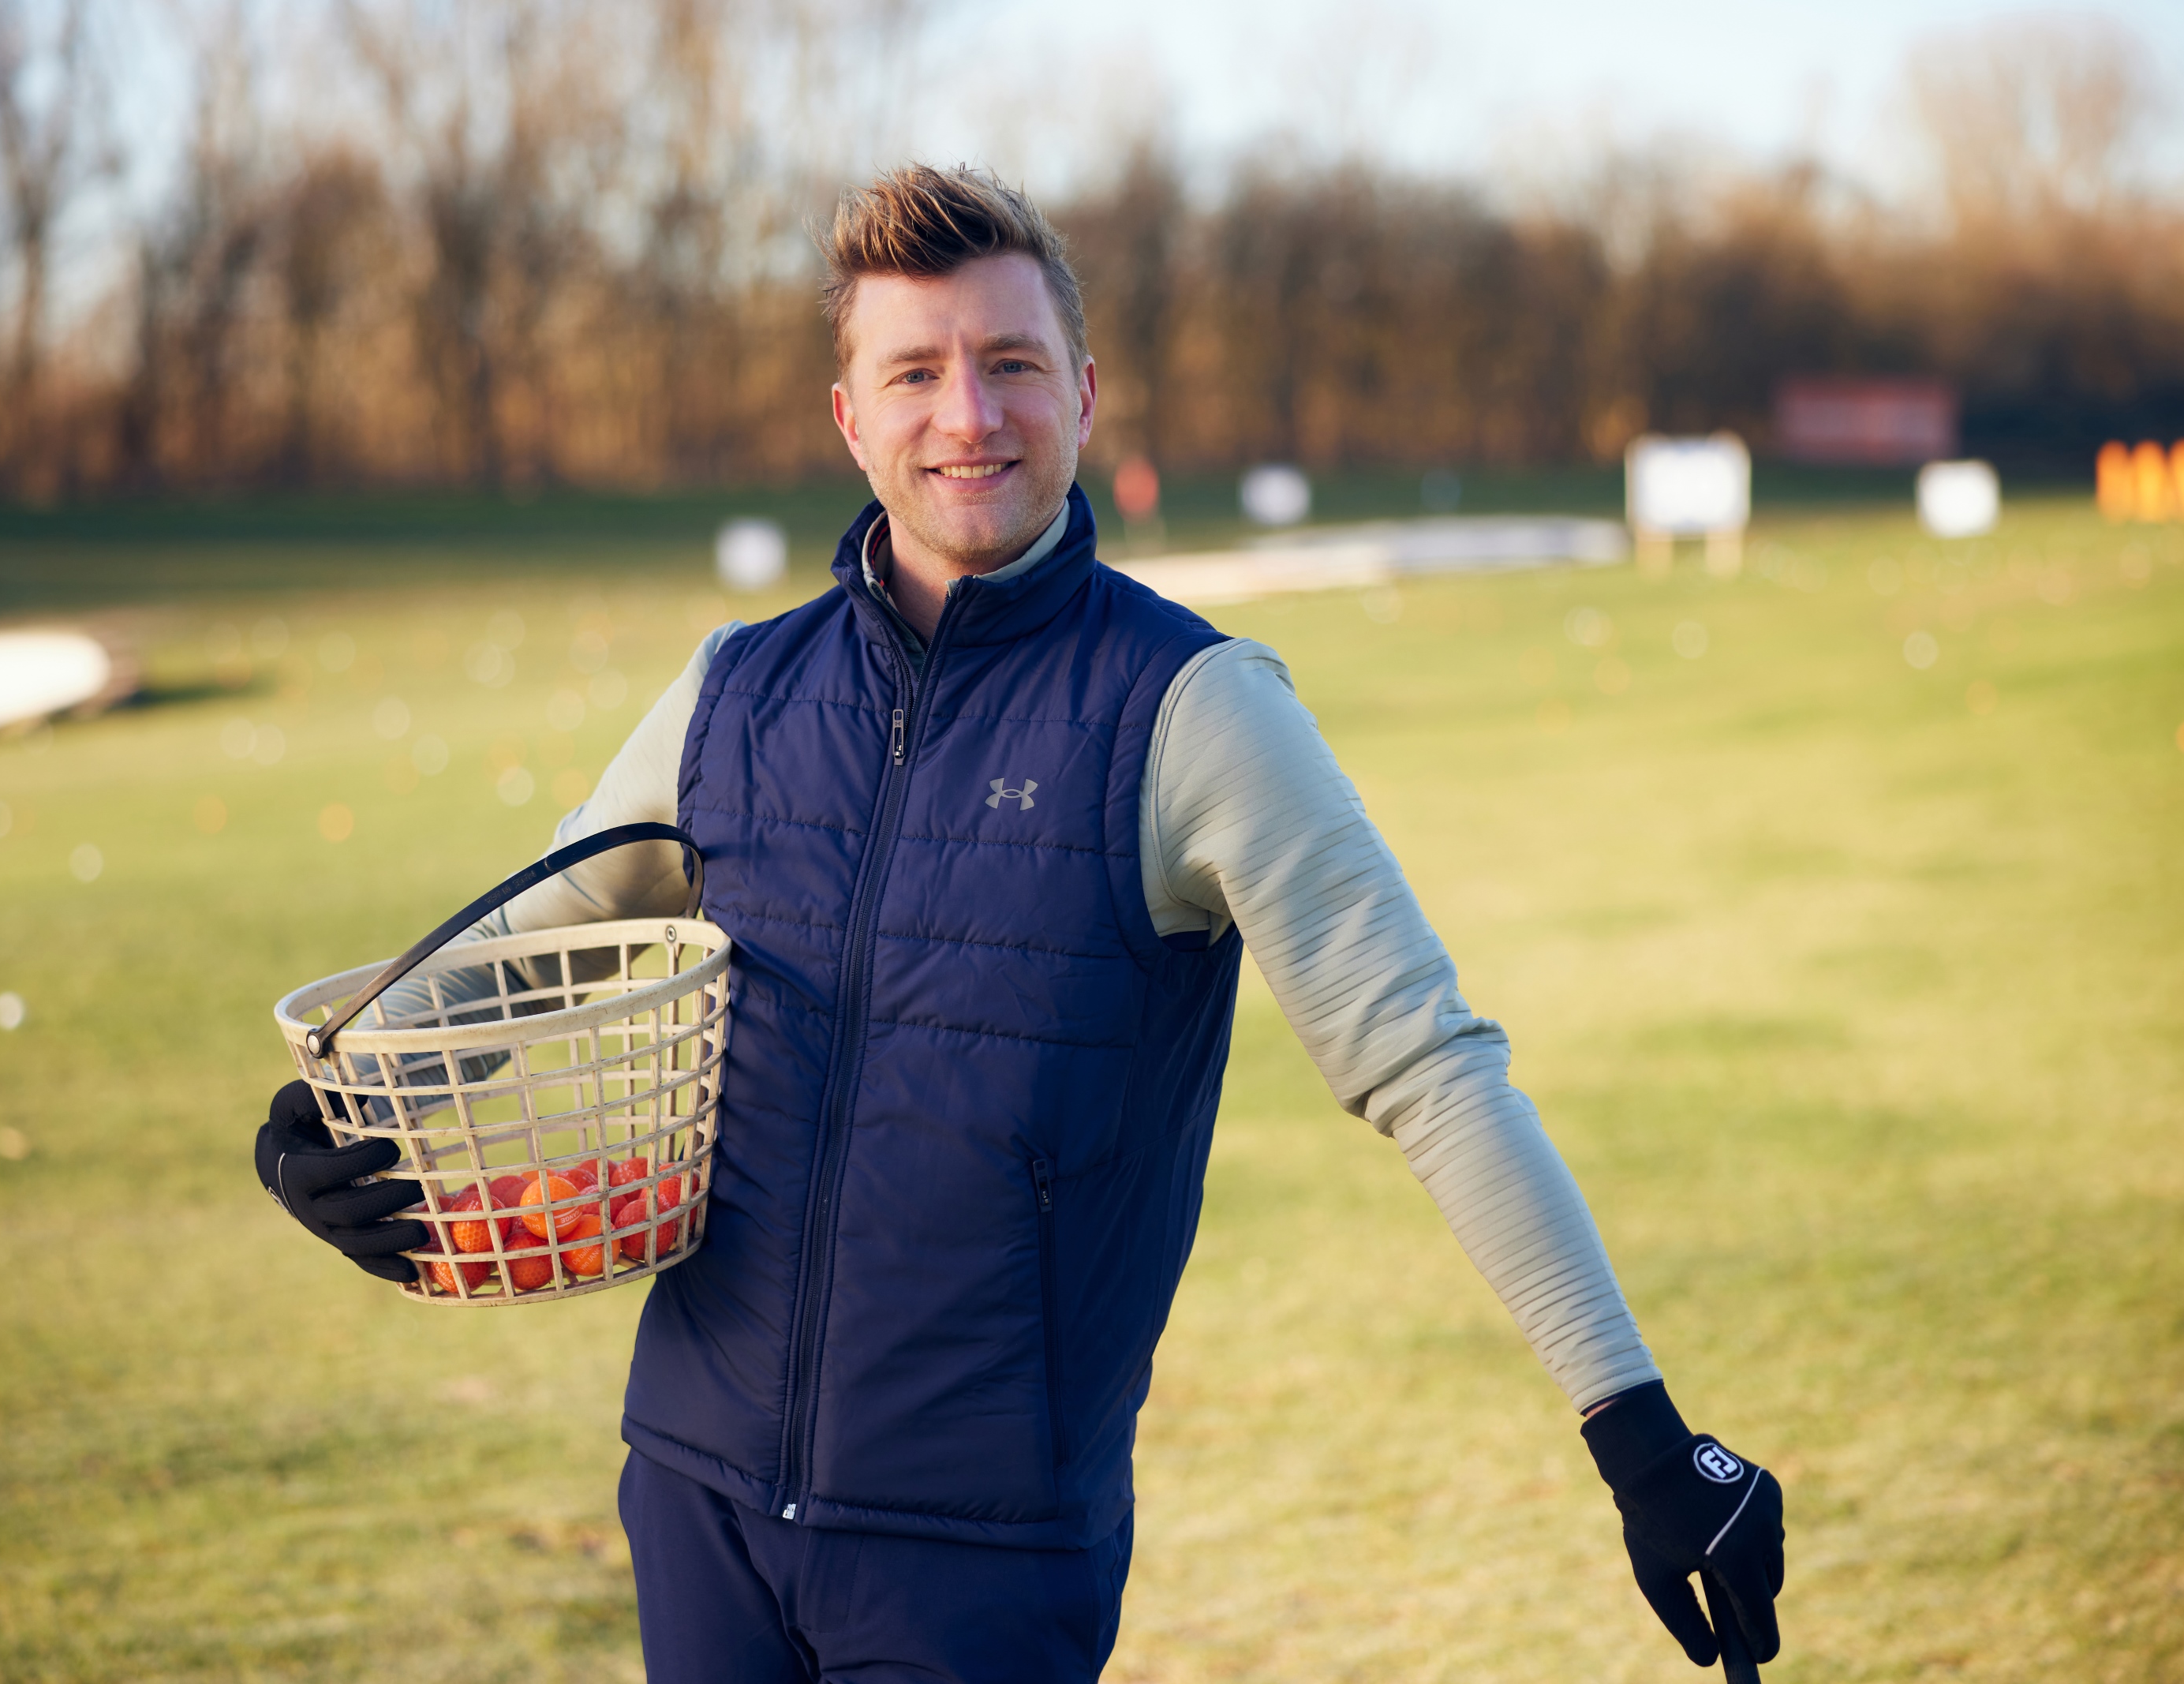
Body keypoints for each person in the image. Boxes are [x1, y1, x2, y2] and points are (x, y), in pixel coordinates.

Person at [256, 164, 1785, 1682]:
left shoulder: (1193, 709)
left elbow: (1427, 1064)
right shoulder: (734, 690)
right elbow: (543, 931)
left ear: (1085, 394)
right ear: (850, 417)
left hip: (980, 1559)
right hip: (696, 1498)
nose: (968, 416)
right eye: (914, 373)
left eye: (1011, 364)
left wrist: (1641, 1434)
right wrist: (343, 1103)